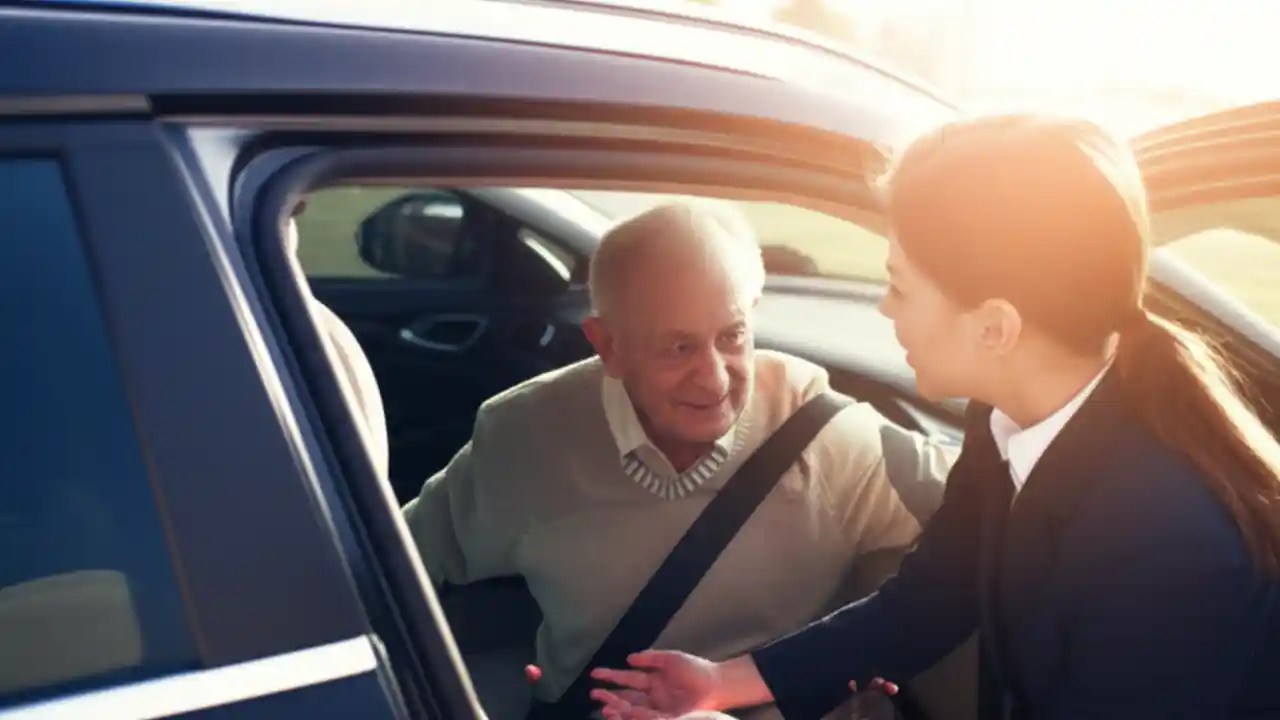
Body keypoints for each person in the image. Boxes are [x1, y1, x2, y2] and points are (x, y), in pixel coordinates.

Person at [591, 116, 1280, 720]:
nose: (885, 309)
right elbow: (933, 598)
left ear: (994, 329)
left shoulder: (1168, 546)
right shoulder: (1008, 419)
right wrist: (721, 684)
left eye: (899, 285)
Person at [402, 202, 954, 718]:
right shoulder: (527, 439)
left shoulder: (825, 436)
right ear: (608, 346)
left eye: (732, 336)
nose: (714, 380)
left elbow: (981, 510)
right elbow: (395, 562)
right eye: (679, 348)